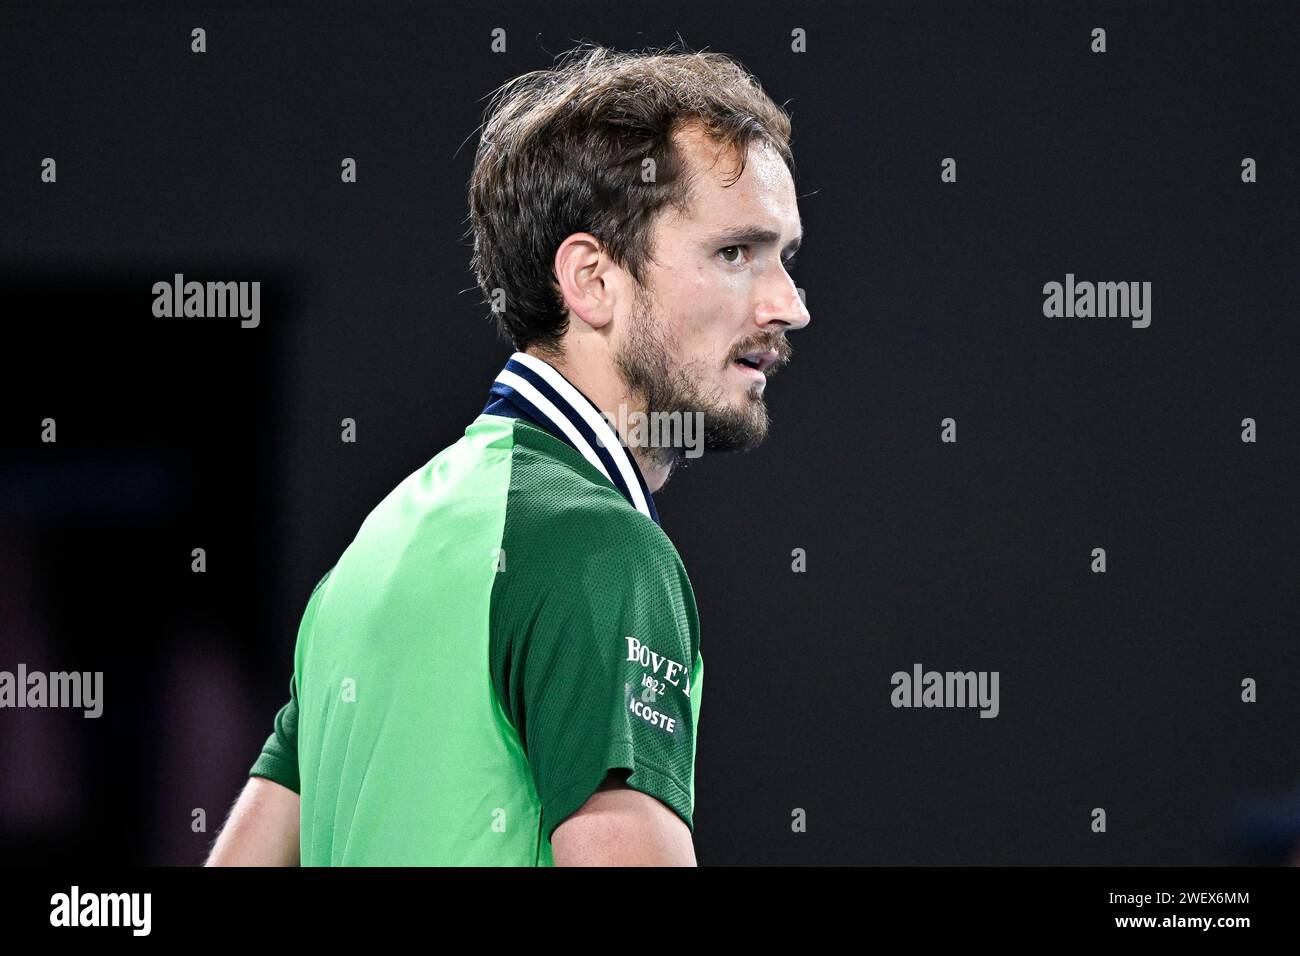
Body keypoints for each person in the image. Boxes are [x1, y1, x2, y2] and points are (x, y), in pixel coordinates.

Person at [206, 42, 809, 867]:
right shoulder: (602, 552)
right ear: (592, 281)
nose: (790, 305)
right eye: (735, 252)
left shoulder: (372, 549)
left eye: (786, 257)